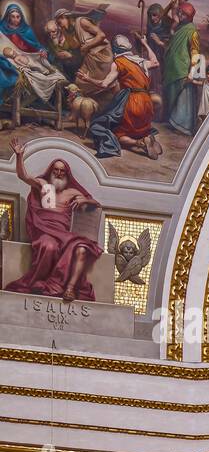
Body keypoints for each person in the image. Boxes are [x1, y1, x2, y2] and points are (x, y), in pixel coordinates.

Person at [5, 142, 102, 302]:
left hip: (64, 234)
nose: (58, 173)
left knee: (83, 249)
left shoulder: (73, 192)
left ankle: (69, 289)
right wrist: (19, 156)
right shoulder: (44, 185)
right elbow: (24, 176)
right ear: (51, 170)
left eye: (62, 171)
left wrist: (85, 200)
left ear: (67, 174)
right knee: (48, 246)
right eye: (55, 170)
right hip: (43, 229)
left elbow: (96, 204)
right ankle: (40, 281)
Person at [87, 35, 162, 160]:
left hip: (133, 102)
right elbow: (155, 62)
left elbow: (105, 84)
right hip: (147, 104)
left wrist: (88, 79)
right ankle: (145, 137)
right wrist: (145, 44)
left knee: (113, 133)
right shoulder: (140, 61)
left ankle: (140, 143)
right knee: (135, 127)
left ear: (116, 49)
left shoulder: (118, 63)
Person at [161, 0, 202, 135]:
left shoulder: (192, 31)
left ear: (189, 16)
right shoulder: (179, 26)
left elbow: (195, 53)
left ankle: (182, 125)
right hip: (173, 68)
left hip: (183, 69)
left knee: (183, 98)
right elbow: (164, 18)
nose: (180, 15)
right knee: (172, 95)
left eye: (183, 14)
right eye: (180, 13)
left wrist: (191, 72)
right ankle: (172, 122)